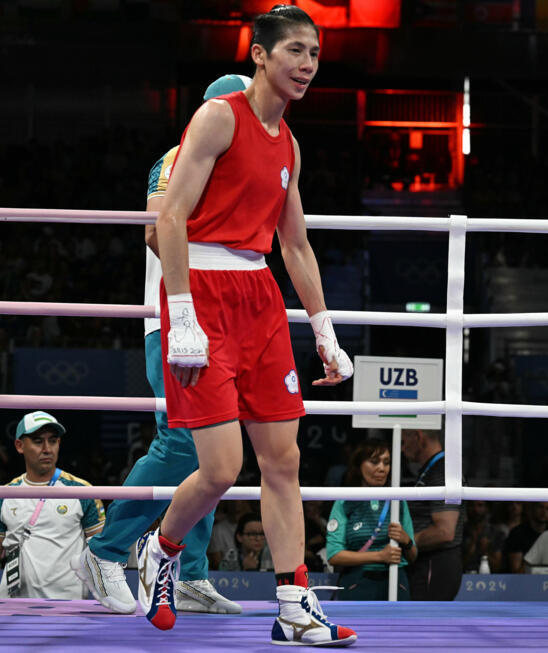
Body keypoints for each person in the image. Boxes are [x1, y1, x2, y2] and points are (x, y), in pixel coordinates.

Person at [135, 6, 356, 646]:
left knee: (282, 461)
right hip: (200, 288)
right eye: (294, 50)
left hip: (259, 295)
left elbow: (296, 246)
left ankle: (293, 605)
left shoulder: (288, 142)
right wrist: (180, 315)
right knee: (222, 468)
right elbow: (169, 220)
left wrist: (323, 328)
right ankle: (162, 547)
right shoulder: (216, 117)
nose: (307, 64)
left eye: (314, 53)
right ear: (260, 55)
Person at [70, 74, 249, 618]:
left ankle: (187, 574)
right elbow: (156, 228)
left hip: (226, 322)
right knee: (178, 443)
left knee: (214, 451)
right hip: (177, 318)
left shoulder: (246, 163)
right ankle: (105, 550)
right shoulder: (180, 156)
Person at [0, 411, 105, 599]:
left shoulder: (83, 492)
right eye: (38, 441)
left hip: (67, 610)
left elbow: (101, 554)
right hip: (11, 610)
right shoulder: (3, 496)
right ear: (19, 446)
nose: (47, 449)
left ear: (59, 444)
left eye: (52, 441)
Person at [325, 440, 417, 600]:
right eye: (374, 462)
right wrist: (380, 556)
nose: (381, 468)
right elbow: (334, 555)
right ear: (359, 465)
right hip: (357, 584)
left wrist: (406, 540)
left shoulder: (398, 501)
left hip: (397, 582)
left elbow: (413, 555)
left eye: (386, 463)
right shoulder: (344, 501)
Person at [401, 428, 464, 600]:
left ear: (419, 436)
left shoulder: (442, 471)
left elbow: (445, 532)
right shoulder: (432, 470)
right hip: (428, 563)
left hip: (435, 564)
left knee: (425, 624)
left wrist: (407, 543)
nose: (402, 449)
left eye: (404, 442)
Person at [502, 501, 548, 573]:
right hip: (523, 579)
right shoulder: (518, 533)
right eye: (540, 507)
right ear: (532, 508)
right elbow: (516, 570)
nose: (544, 511)